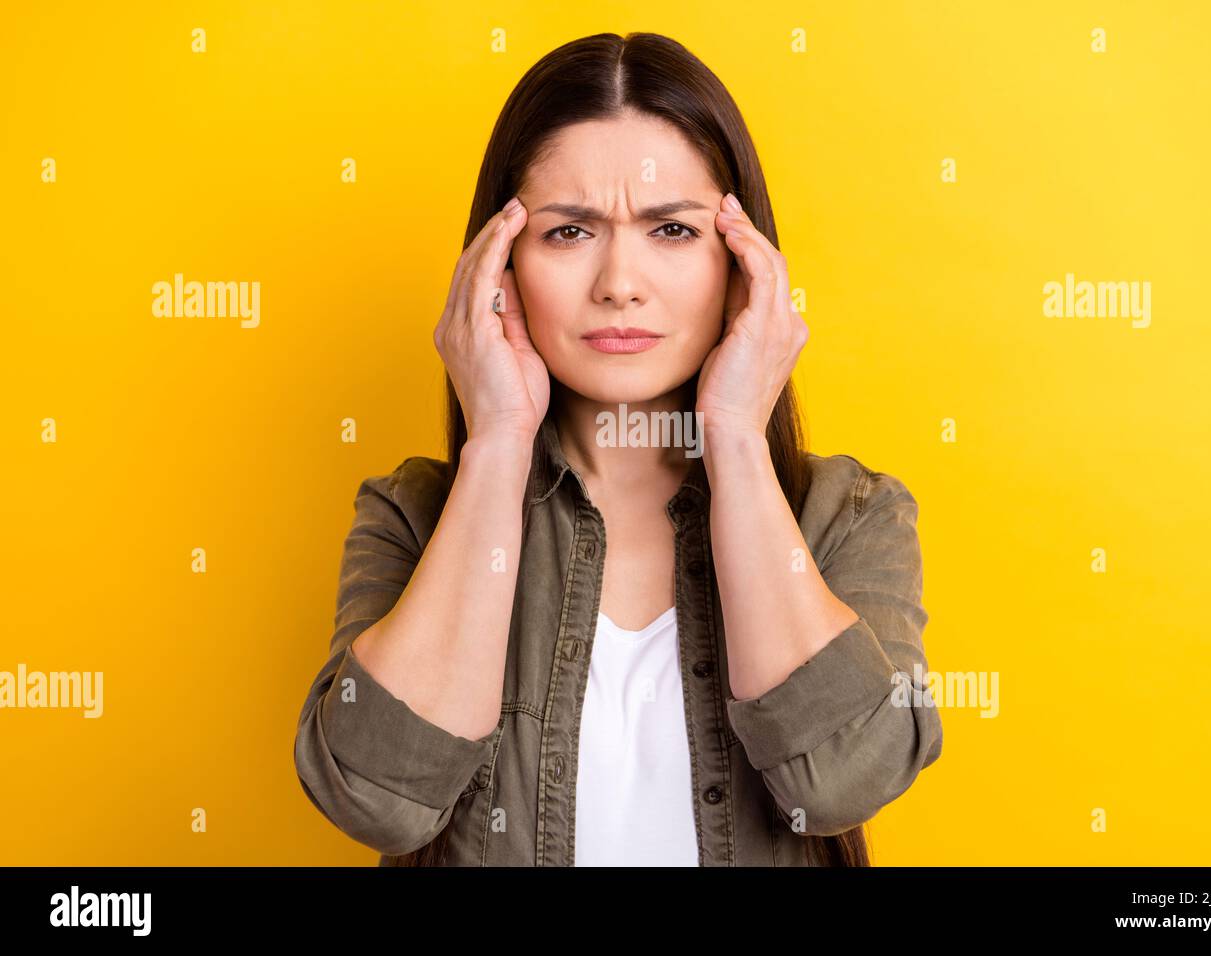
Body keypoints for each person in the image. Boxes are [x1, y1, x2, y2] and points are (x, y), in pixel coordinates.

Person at [293, 31, 942, 867]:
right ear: (500, 265)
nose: (620, 283)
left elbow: (845, 781)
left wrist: (738, 434)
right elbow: (377, 796)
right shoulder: (412, 517)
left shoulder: (849, 518)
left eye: (672, 230)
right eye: (569, 233)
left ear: (743, 264)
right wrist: (495, 441)